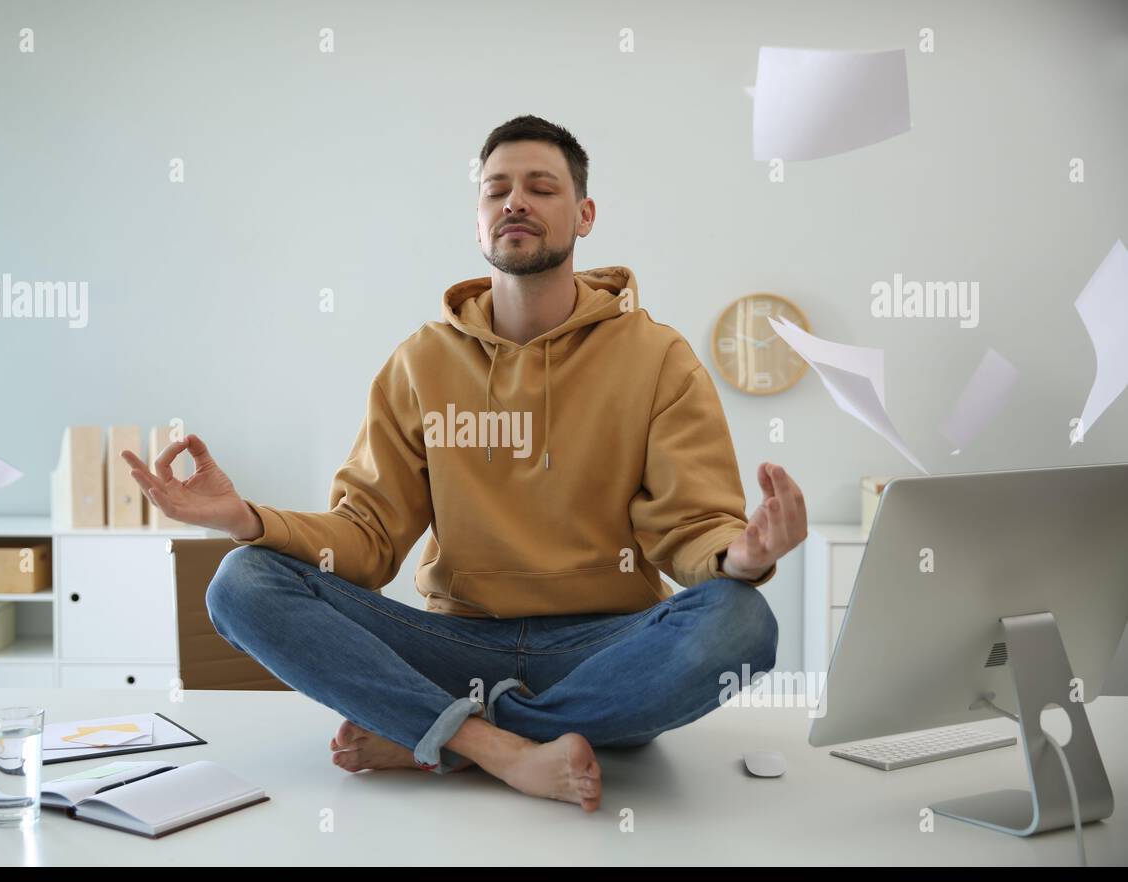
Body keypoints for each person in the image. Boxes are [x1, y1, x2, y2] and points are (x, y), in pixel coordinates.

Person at [123, 115, 808, 813]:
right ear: (478, 220)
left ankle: (445, 737)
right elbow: (365, 541)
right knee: (242, 580)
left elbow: (690, 526)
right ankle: (504, 750)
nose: (515, 202)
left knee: (741, 620)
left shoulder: (658, 358)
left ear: (584, 214)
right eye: (496, 191)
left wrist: (741, 557)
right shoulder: (420, 361)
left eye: (541, 187)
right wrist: (245, 518)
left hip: (603, 650)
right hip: (453, 646)